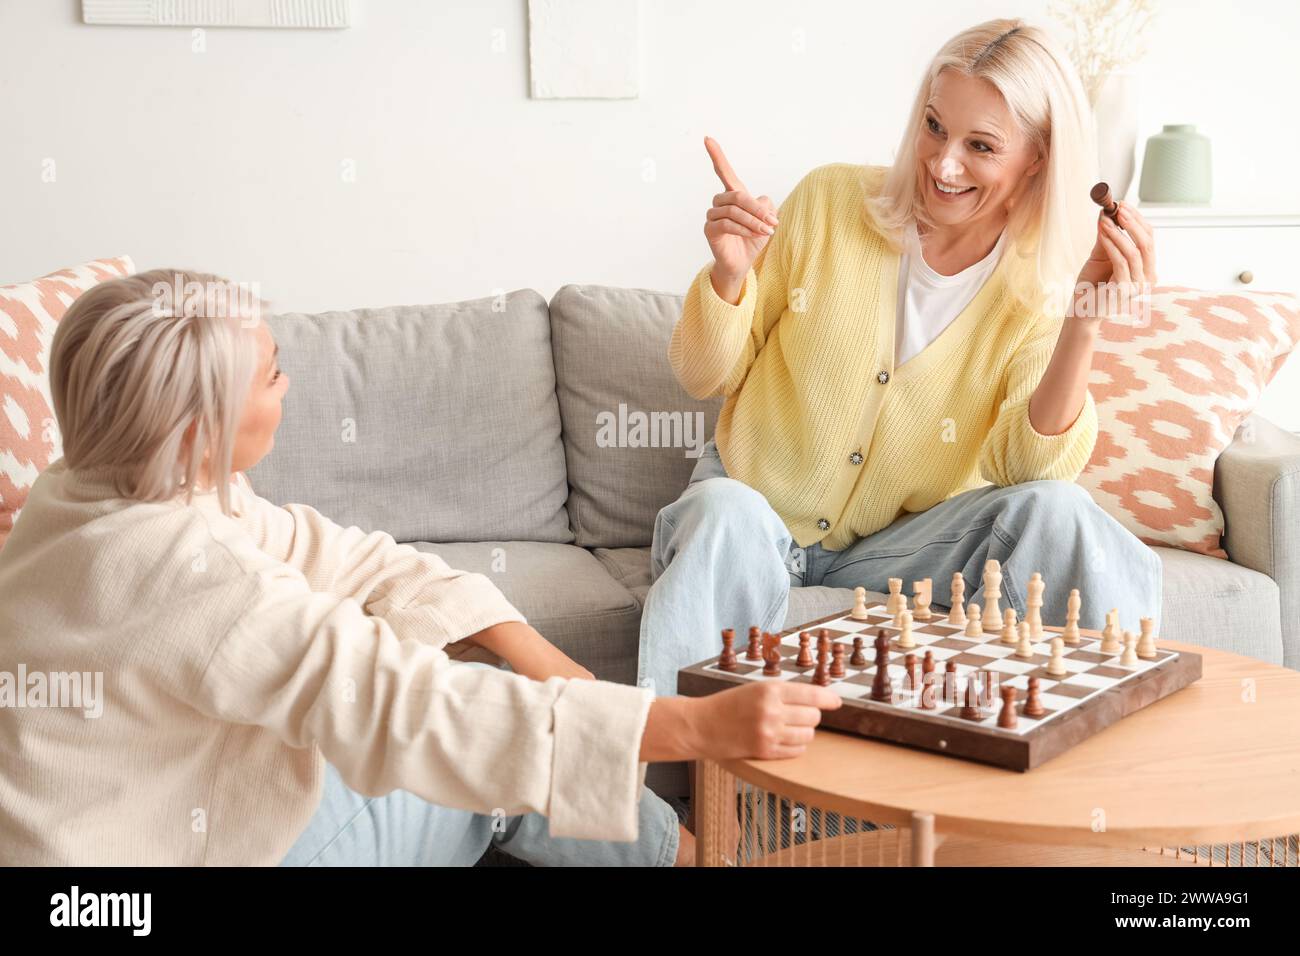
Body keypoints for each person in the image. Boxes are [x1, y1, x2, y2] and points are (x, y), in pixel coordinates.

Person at [0, 268, 842, 866]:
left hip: (115, 828)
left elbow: (347, 557)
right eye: (271, 375)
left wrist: (533, 654)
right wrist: (691, 727)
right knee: (486, 762)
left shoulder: (89, 487)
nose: (289, 385)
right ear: (198, 431)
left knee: (473, 676)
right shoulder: (191, 574)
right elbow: (414, 712)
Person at [639, 18, 1163, 725]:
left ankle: (1103, 784)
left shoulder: (1040, 281)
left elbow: (1029, 467)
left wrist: (1085, 318)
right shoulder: (828, 204)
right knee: (723, 512)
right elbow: (704, 374)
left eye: (980, 146)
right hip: (754, 517)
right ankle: (668, 814)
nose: (943, 165)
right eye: (933, 127)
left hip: (900, 551)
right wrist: (730, 276)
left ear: (1037, 159)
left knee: (1063, 512)